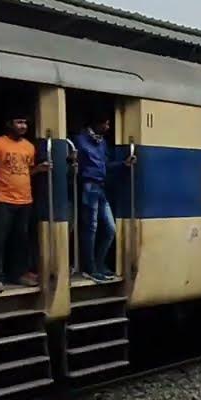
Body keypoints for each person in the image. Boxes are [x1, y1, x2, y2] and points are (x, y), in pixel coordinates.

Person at [0, 116, 50, 292]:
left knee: (20, 240)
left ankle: (17, 274)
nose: (23, 126)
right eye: (18, 122)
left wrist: (38, 170)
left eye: (25, 122)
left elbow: (25, 171)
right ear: (9, 124)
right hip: (3, 199)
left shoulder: (29, 147)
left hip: (25, 200)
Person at [71, 115, 134, 281]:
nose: (108, 127)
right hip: (88, 185)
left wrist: (123, 164)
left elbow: (105, 165)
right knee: (90, 228)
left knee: (109, 228)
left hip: (100, 186)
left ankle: (99, 264)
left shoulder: (102, 142)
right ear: (96, 123)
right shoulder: (80, 140)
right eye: (105, 123)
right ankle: (89, 267)